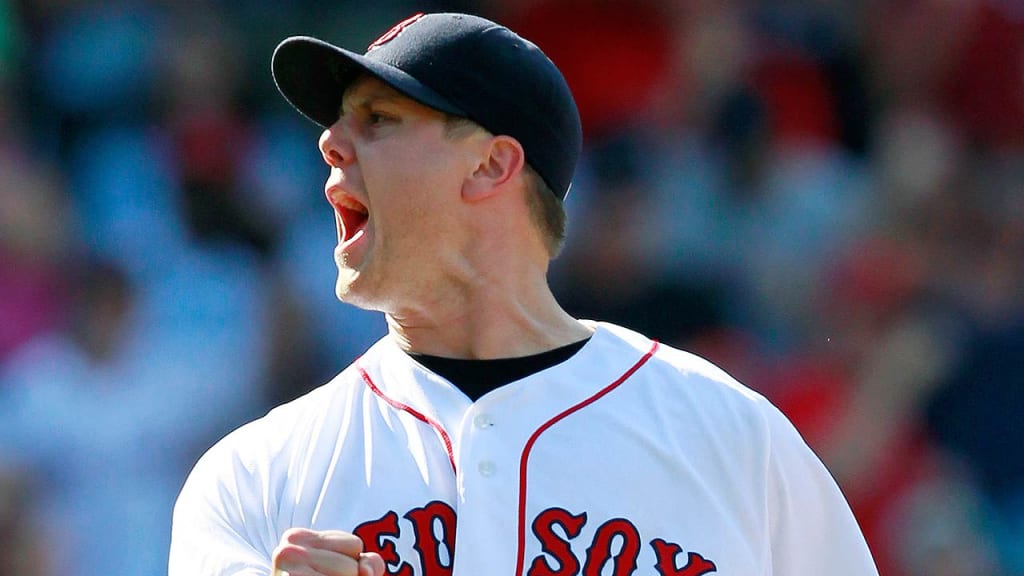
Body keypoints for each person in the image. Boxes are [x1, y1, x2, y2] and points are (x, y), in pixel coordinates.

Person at [169, 12, 878, 576]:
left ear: (491, 165)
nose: (329, 144)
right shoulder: (256, 482)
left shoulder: (730, 438)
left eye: (377, 119)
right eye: (336, 122)